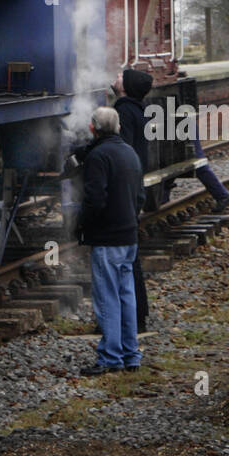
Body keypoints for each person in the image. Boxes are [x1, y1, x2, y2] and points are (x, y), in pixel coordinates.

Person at [63, 105, 143, 374]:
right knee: (126, 295)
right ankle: (131, 355)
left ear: (92, 128)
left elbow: (95, 199)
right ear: (118, 127)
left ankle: (110, 358)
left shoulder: (98, 157)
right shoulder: (129, 152)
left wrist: (82, 225)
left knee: (107, 297)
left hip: (107, 239)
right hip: (128, 235)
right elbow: (140, 196)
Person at [111, 67, 153, 330]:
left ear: (125, 87)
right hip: (131, 189)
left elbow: (120, 152)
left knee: (123, 256)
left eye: (120, 77)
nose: (115, 78)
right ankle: (137, 315)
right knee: (128, 254)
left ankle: (132, 319)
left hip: (123, 192)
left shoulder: (124, 112)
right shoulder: (135, 109)